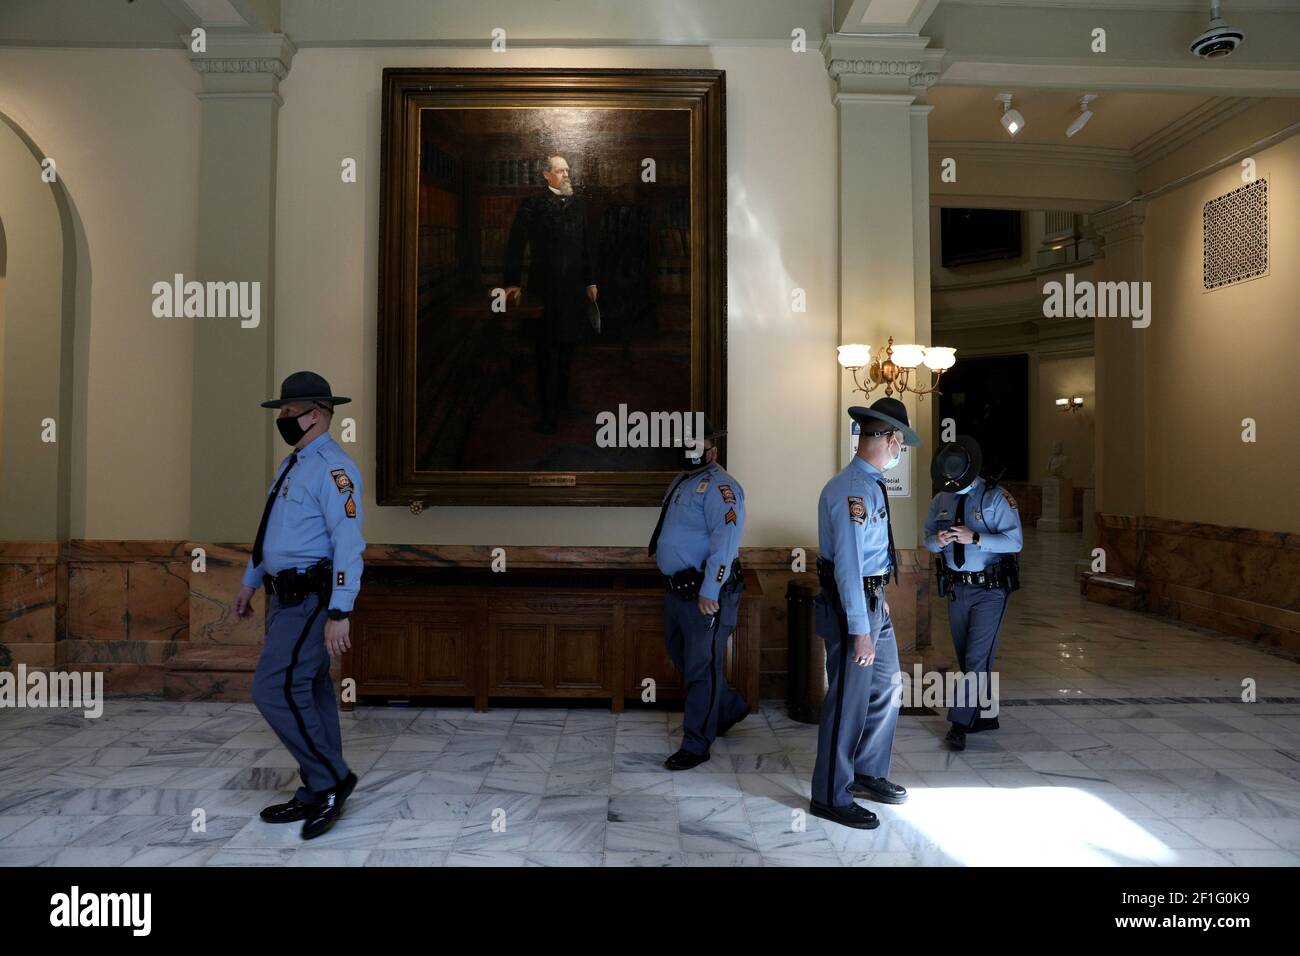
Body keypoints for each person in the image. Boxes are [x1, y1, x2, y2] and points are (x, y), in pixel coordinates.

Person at [233, 371, 365, 840]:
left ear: (317, 414)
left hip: (312, 597)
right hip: (280, 595)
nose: (283, 419)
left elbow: (349, 542)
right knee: (308, 689)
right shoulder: (294, 464)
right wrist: (251, 582)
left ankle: (332, 780)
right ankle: (316, 789)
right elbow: (271, 529)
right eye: (282, 413)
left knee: (272, 690)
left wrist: (339, 610)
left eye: (289, 412)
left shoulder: (335, 469)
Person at [810, 397, 920, 829]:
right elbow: (849, 566)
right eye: (901, 445)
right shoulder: (850, 491)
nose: (900, 452)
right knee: (847, 703)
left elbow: (871, 558)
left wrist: (878, 599)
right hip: (851, 609)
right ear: (892, 439)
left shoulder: (870, 484)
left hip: (874, 602)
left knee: (887, 687)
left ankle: (866, 772)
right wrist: (860, 628)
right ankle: (829, 795)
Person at [648, 418, 750, 770]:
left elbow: (726, 543)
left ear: (713, 450)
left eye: (698, 446)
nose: (691, 452)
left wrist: (711, 590)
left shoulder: (723, 488)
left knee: (700, 669)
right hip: (678, 592)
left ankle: (696, 744)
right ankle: (729, 707)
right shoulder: (683, 481)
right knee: (683, 655)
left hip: (705, 595)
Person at [923, 435, 1023, 751]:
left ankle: (959, 724)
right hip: (957, 588)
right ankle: (984, 715)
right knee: (967, 656)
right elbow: (926, 538)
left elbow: (1015, 542)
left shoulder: (995, 499)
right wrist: (938, 541)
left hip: (990, 589)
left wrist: (975, 538)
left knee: (976, 657)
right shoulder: (942, 499)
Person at [503, 154, 599, 434]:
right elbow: (515, 244)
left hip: (572, 291)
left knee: (569, 349)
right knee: (545, 353)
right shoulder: (533, 204)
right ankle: (548, 416)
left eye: (568, 170)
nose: (567, 174)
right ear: (546, 175)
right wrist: (511, 282)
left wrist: (590, 281)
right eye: (560, 170)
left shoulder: (579, 204)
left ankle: (564, 404)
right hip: (543, 290)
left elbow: (585, 246)